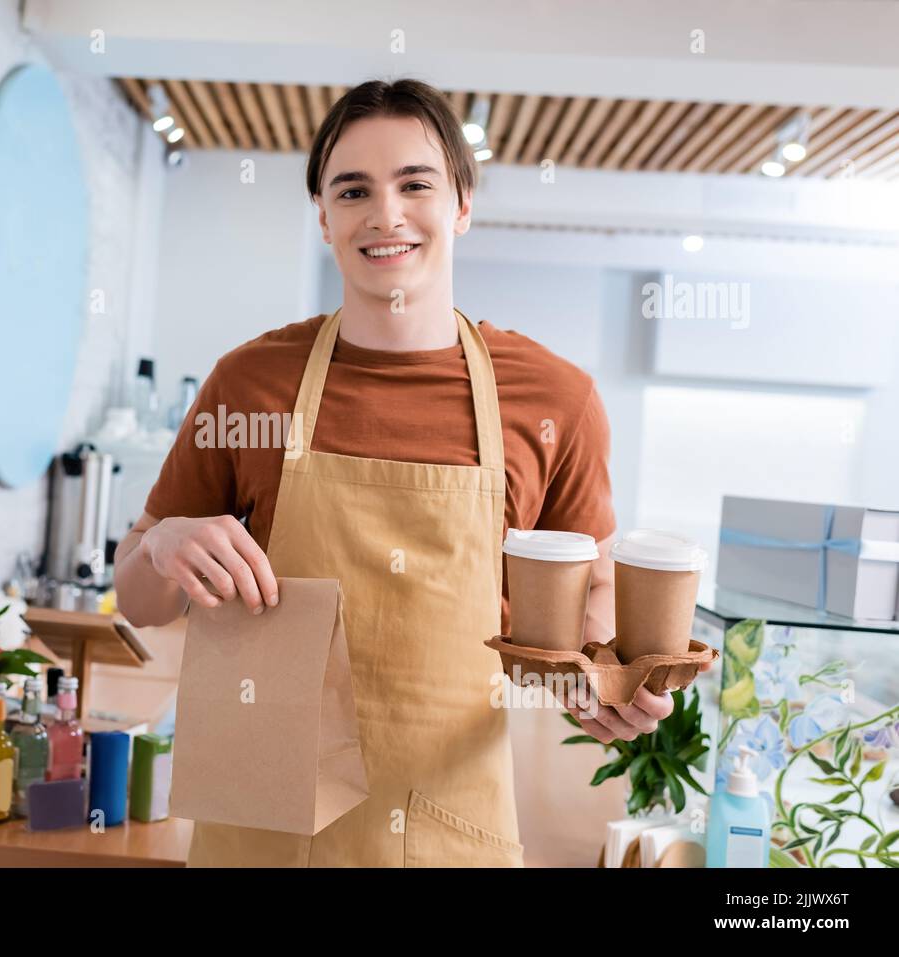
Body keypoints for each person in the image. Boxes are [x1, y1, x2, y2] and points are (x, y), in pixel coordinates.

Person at [114, 78, 709, 866]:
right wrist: (162, 547)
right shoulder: (249, 383)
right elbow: (137, 597)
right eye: (352, 189)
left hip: (443, 832)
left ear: (462, 203)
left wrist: (602, 681)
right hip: (260, 837)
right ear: (324, 218)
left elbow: (594, 587)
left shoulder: (556, 399)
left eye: (415, 184)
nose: (385, 213)